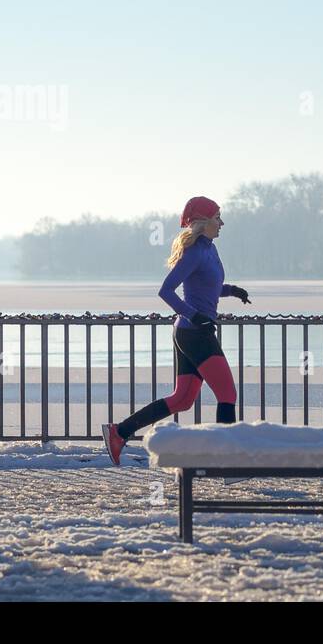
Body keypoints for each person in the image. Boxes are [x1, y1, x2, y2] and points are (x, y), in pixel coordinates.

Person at [101, 195, 250, 465]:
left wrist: (231, 291)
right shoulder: (194, 252)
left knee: (182, 399)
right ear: (203, 222)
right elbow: (166, 291)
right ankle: (227, 463)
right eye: (217, 218)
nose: (222, 223)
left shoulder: (209, 249)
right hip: (195, 333)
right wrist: (196, 315)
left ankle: (119, 432)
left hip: (189, 332)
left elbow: (205, 287)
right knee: (227, 394)